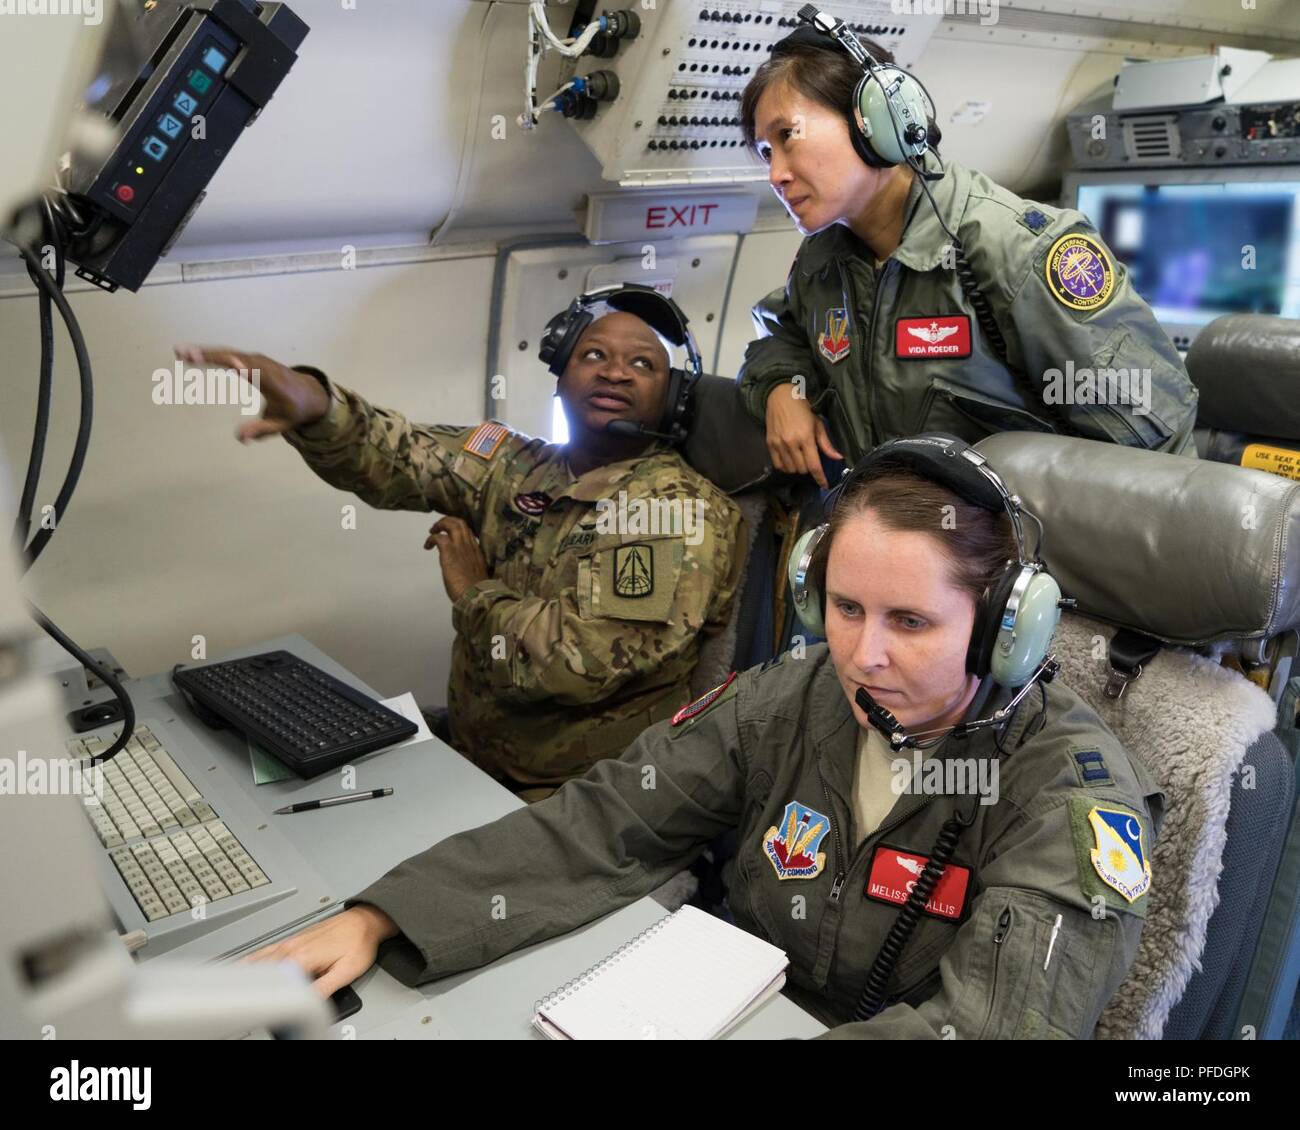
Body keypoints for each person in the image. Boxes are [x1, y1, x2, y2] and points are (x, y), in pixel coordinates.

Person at [248, 434, 1163, 1039]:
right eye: (844, 608)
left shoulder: (1068, 795)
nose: (864, 655)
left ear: (1007, 629)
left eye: (911, 623)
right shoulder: (789, 699)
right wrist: (385, 915)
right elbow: (607, 822)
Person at [175, 285, 745, 800]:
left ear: (672, 400)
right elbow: (401, 454)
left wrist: (475, 594)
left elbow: (577, 663)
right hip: (474, 760)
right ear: (561, 369)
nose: (615, 373)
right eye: (594, 355)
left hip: (583, 798)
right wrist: (317, 407)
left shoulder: (672, 512)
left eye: (642, 364)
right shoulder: (515, 461)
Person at [736, 10, 1200, 488]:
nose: (776, 175)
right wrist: (781, 389)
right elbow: (779, 333)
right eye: (767, 152)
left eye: (788, 135)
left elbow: (1158, 447)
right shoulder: (823, 263)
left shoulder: (1016, 250)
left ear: (877, 121)